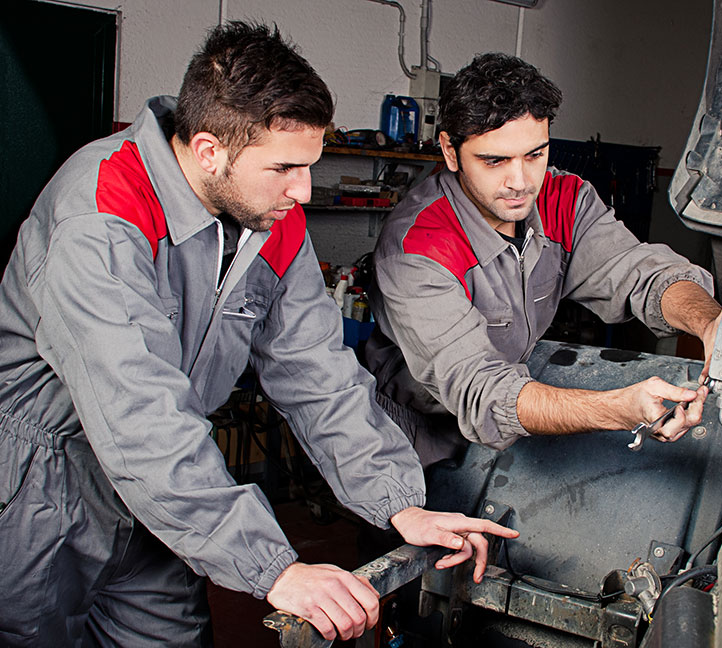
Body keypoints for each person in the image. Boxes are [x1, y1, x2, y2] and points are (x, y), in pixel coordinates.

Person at [0, 22, 515, 647]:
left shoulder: (275, 220)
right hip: (47, 481)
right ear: (210, 150)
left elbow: (316, 372)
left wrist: (398, 501)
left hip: (174, 486)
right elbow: (136, 414)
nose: (301, 192)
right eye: (284, 168)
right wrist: (275, 566)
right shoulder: (102, 211)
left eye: (309, 166)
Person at [365, 52, 722, 465]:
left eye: (534, 155)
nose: (520, 182)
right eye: (494, 161)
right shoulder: (418, 247)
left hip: (512, 412)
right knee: (415, 532)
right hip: (414, 434)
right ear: (451, 151)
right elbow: (482, 391)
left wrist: (711, 322)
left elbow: (640, 273)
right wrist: (615, 410)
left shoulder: (563, 199)